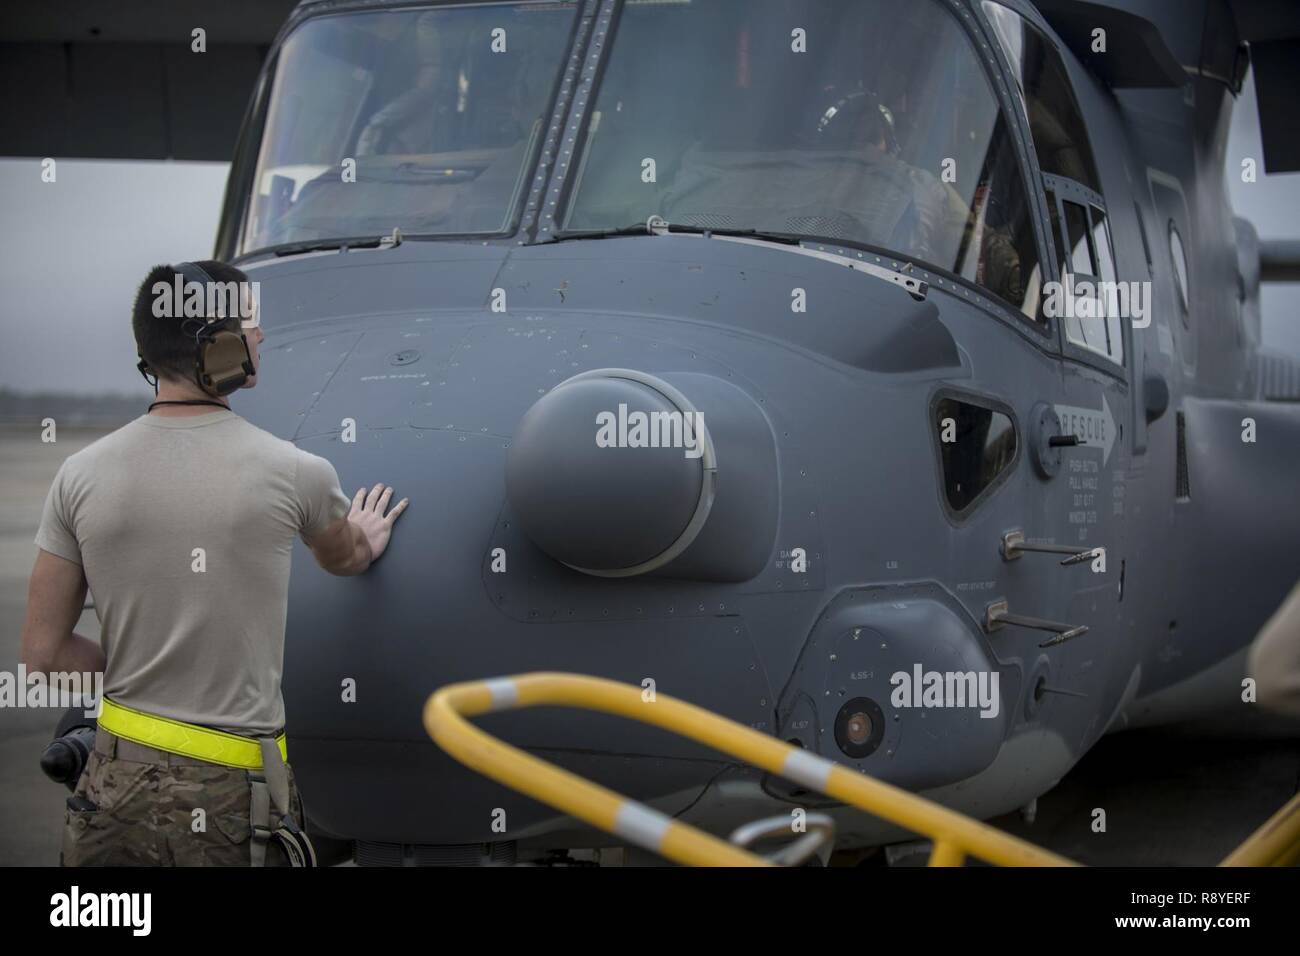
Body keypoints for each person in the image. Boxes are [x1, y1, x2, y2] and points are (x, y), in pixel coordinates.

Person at [20, 259, 408, 865]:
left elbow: (42, 655)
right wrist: (362, 532)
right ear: (221, 349)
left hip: (108, 784)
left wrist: (142, 672)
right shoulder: (297, 472)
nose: (260, 338)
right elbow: (346, 558)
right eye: (250, 328)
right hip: (230, 799)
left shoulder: (80, 475)